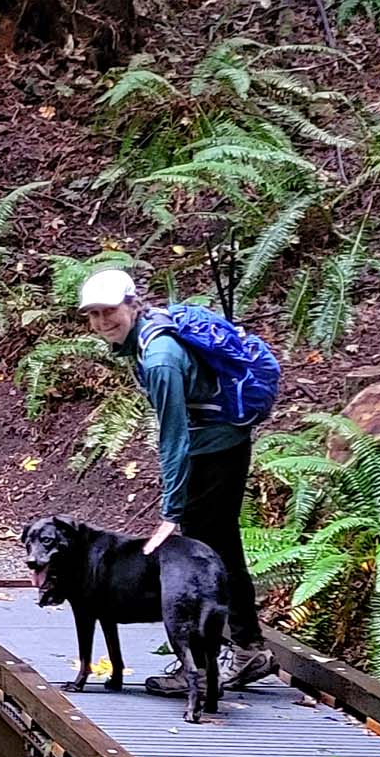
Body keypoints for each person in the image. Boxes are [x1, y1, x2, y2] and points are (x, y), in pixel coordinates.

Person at [76, 266, 276, 694]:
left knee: (200, 557)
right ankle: (243, 648)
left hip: (214, 450)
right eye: (92, 315)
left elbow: (173, 436)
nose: (101, 322)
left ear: (132, 305)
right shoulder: (148, 336)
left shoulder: (159, 357)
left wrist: (172, 508)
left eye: (108, 311)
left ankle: (206, 669)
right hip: (218, 445)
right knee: (219, 548)